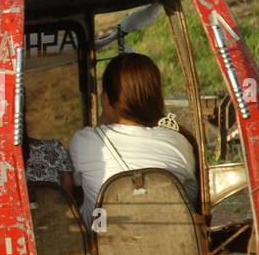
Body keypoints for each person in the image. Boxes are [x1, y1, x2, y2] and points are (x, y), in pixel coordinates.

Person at [68, 52, 199, 226]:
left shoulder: (83, 141)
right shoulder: (180, 142)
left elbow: (76, 186)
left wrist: (106, 116)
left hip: (104, 247)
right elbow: (190, 196)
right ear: (156, 97)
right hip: (172, 246)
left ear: (106, 99)